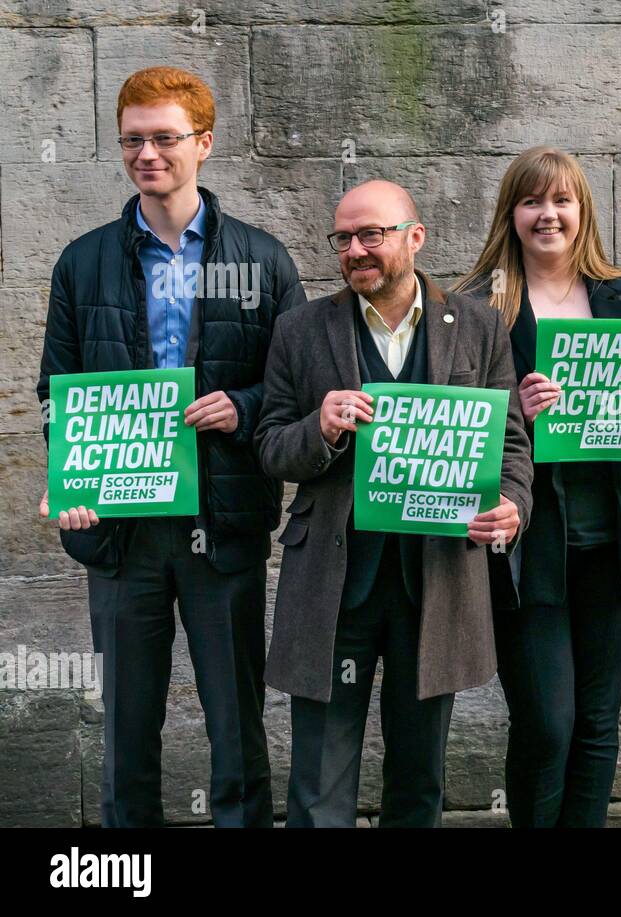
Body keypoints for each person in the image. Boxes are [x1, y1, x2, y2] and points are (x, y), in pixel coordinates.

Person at [35, 66, 305, 828]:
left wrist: (243, 407)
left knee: (236, 724)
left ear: (204, 143)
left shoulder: (262, 259)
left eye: (164, 138)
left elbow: (297, 390)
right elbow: (58, 390)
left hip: (222, 527)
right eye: (132, 140)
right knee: (125, 733)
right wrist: (68, 477)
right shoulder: (81, 262)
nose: (146, 154)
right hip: (122, 532)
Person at [255, 179, 533, 827]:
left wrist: (512, 506)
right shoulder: (300, 330)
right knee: (319, 785)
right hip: (335, 585)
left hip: (434, 583)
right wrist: (318, 428)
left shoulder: (480, 326)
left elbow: (512, 443)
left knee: (418, 783)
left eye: (370, 234)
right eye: (344, 238)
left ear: (415, 236)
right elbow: (269, 445)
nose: (355, 249)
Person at [454, 146, 621, 827]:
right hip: (530, 547)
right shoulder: (476, 309)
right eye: (532, 201)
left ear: (583, 211)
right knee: (548, 723)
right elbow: (456, 422)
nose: (548, 214)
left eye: (562, 200)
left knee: (596, 722)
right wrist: (510, 407)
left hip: (615, 540)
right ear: (511, 213)